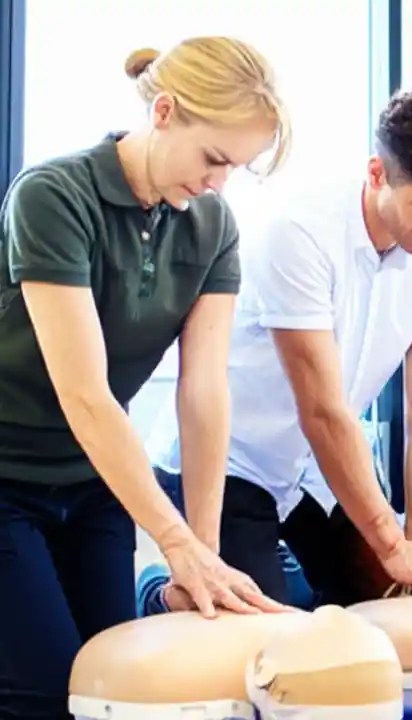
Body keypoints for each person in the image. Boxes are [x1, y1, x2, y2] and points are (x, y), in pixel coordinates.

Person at [0, 37, 290, 718]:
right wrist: (175, 542)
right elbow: (86, 394)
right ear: (164, 112)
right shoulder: (52, 196)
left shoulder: (213, 224)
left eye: (237, 167)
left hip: (94, 484)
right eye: (214, 158)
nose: (220, 181)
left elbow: (203, 394)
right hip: (7, 475)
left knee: (120, 684)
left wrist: (206, 558)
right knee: (45, 692)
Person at [147, 89, 412, 607]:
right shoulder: (301, 234)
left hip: (319, 473)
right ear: (377, 174)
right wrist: (390, 542)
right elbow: (322, 410)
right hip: (232, 463)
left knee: (410, 600)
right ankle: (158, 593)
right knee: (254, 631)